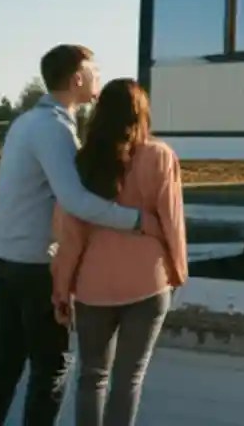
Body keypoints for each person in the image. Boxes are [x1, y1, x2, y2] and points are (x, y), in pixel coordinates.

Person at [0, 45, 161, 426]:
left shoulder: (26, 122)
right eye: (95, 70)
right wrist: (138, 220)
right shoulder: (52, 128)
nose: (99, 78)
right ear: (77, 78)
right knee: (51, 369)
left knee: (4, 364)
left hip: (6, 258)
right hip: (35, 266)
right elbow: (76, 201)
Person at [50, 78, 187, 426]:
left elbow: (70, 236)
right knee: (129, 379)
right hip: (148, 282)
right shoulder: (160, 156)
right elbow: (172, 221)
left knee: (91, 376)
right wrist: (177, 271)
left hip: (93, 288)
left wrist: (61, 289)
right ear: (141, 113)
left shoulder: (83, 163)